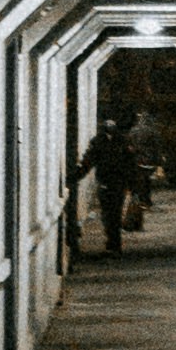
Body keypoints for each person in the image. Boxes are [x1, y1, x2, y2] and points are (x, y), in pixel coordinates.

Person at [69, 109, 138, 256]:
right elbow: (89, 161)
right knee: (111, 213)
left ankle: (113, 243)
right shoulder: (120, 141)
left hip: (113, 182)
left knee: (112, 213)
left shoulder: (104, 142)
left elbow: (89, 161)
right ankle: (114, 243)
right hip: (112, 182)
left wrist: (74, 177)